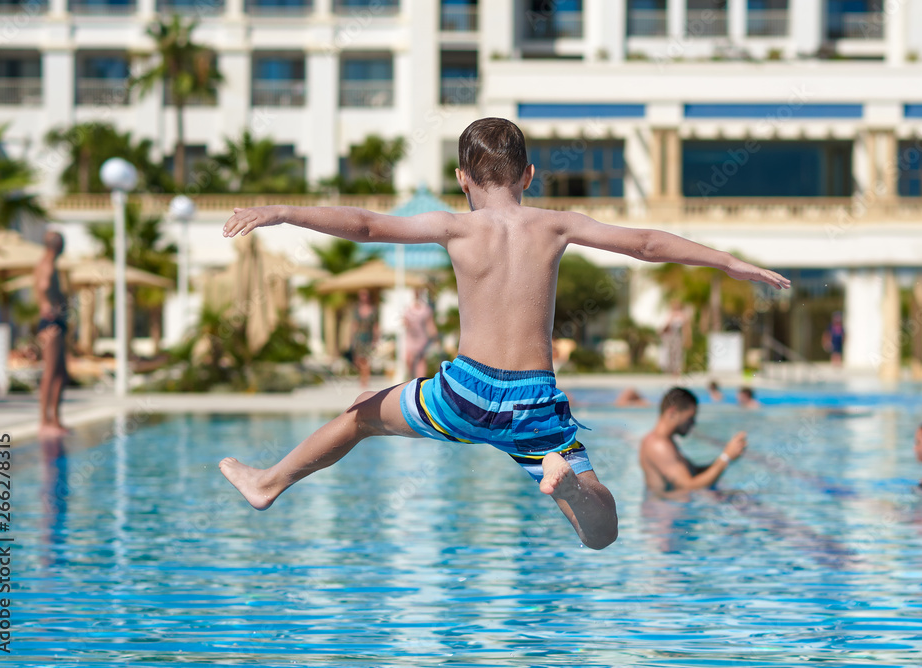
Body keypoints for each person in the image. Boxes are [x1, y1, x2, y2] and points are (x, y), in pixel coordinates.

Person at [218, 117, 789, 549]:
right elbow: (646, 244)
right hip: (535, 398)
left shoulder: (455, 226)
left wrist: (283, 210)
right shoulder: (557, 224)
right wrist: (728, 262)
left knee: (362, 414)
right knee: (601, 535)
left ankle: (268, 484)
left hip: (464, 391)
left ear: (462, 178)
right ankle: (567, 487)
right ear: (530, 176)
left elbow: (366, 224)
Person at [639, 387, 748, 496]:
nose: (693, 423)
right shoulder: (658, 445)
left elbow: (694, 472)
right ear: (672, 412)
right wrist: (725, 457)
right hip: (664, 511)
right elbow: (689, 486)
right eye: (690, 418)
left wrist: (728, 456)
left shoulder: (665, 441)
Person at [34, 231, 69, 437]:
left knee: (60, 374)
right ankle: (45, 420)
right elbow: (44, 285)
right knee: (50, 372)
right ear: (57, 245)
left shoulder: (46, 263)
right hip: (51, 323)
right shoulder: (47, 264)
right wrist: (49, 304)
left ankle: (55, 418)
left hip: (54, 322)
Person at [403, 288, 438, 378]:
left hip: (421, 337)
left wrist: (435, 337)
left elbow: (430, 324)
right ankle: (411, 378)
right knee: (408, 359)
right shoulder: (408, 308)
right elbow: (405, 323)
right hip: (410, 337)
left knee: (420, 359)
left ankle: (420, 380)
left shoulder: (425, 309)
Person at [350, 288, 378, 389]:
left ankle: (365, 380)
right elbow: (354, 324)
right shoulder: (356, 309)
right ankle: (362, 377)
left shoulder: (373, 309)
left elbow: (375, 325)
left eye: (365, 295)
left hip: (368, 337)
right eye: (361, 295)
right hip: (359, 337)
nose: (363, 297)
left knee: (366, 359)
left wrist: (376, 339)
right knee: (358, 360)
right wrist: (351, 338)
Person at [661, 300, 689, 376]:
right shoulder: (669, 314)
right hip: (669, 336)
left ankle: (676, 371)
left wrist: (687, 338)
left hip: (678, 336)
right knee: (669, 353)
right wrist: (671, 317)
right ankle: (669, 370)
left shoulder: (683, 315)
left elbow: (686, 328)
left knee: (678, 354)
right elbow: (665, 327)